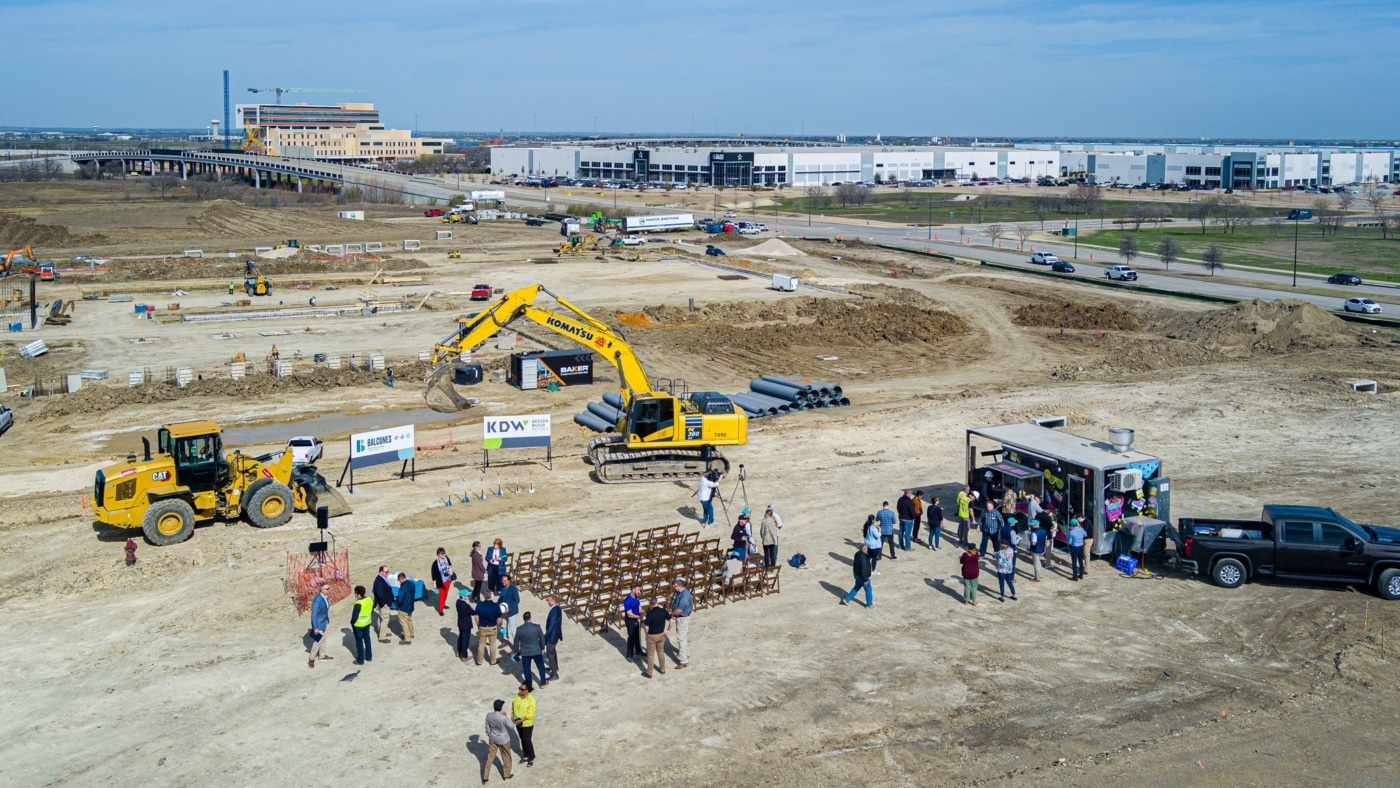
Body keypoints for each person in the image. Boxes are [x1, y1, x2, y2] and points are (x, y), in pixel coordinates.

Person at [514, 611, 548, 689]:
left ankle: (529, 685)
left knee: (526, 669)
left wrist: (516, 653)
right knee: (540, 666)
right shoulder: (537, 627)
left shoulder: (519, 629)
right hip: (536, 650)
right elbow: (542, 638)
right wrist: (543, 648)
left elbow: (516, 642)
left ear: (523, 619)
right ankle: (543, 682)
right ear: (530, 617)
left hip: (525, 652)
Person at [483, 699, 514, 783]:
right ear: (501, 707)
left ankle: (485, 776)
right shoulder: (503, 717)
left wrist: (490, 734)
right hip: (503, 739)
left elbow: (487, 727)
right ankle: (506, 774)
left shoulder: (489, 715)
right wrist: (506, 716)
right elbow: (511, 726)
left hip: (493, 738)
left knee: (490, 757)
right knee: (506, 756)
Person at [643, 596, 670, 678]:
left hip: (652, 635)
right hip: (661, 634)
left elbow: (646, 627)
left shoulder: (650, 613)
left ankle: (650, 672)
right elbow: (671, 619)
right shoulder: (663, 611)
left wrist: (646, 635)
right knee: (661, 652)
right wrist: (668, 630)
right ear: (657, 602)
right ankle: (662, 669)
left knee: (651, 655)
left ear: (651, 603)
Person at [511, 683, 537, 767]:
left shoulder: (531, 700)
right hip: (518, 722)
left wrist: (521, 720)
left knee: (527, 740)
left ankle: (531, 756)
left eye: (522, 689)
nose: (520, 690)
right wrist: (512, 716)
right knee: (522, 739)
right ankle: (525, 756)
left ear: (527, 690)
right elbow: (513, 706)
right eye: (519, 688)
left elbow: (531, 713)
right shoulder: (517, 696)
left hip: (527, 724)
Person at [474, 592, 503, 666]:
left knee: (481, 644)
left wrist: (478, 624)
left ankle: (479, 661)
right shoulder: (496, 606)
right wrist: (500, 625)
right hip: (492, 627)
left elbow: (476, 617)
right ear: (492, 596)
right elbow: (499, 619)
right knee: (492, 644)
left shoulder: (480, 605)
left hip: (483, 626)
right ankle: (493, 661)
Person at [670, 578, 693, 669]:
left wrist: (671, 614)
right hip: (682, 618)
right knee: (683, 636)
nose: (674, 588)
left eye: (675, 586)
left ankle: (683, 660)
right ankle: (686, 653)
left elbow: (679, 610)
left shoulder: (684, 596)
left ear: (680, 586)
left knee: (681, 638)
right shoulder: (681, 593)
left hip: (682, 618)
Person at [308, 583, 332, 668]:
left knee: (324, 639)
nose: (329, 590)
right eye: (327, 589)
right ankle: (311, 659)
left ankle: (322, 656)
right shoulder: (317, 600)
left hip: (323, 622)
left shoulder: (325, 597)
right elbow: (314, 615)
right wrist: (315, 627)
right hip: (318, 624)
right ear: (322, 590)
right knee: (317, 641)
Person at [350, 584, 374, 665]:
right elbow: (372, 609)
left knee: (359, 642)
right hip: (367, 623)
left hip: (358, 625)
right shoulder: (369, 599)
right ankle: (369, 656)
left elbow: (354, 617)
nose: (355, 594)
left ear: (358, 594)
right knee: (367, 640)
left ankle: (360, 659)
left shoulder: (358, 604)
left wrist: (352, 623)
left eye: (355, 593)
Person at [499, 574, 521, 656]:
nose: (503, 582)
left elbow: (517, 600)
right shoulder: (502, 588)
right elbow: (501, 598)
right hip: (504, 611)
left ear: (509, 581)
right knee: (503, 627)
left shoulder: (513, 589)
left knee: (512, 629)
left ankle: (516, 647)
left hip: (512, 612)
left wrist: (510, 608)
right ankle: (505, 640)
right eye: (502, 580)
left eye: (505, 581)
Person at [372, 566, 395, 643]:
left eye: (388, 571)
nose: (387, 573)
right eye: (386, 572)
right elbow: (380, 594)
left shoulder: (382, 578)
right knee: (385, 619)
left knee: (381, 618)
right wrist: (384, 603)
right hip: (384, 604)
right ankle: (382, 637)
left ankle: (382, 632)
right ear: (381, 572)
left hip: (385, 602)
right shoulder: (379, 581)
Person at [431, 547, 456, 617]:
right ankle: (440, 609)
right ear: (438, 555)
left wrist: (451, 572)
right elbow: (433, 575)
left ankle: (443, 604)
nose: (444, 555)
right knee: (441, 595)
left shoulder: (446, 558)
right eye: (442, 554)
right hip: (441, 582)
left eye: (444, 553)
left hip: (448, 579)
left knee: (446, 593)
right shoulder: (435, 564)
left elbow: (450, 565)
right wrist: (435, 585)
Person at [622, 585, 644, 662]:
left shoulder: (637, 597)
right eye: (638, 590)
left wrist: (641, 612)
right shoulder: (627, 601)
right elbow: (629, 614)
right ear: (633, 590)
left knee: (638, 635)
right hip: (630, 621)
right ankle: (629, 655)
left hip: (637, 618)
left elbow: (639, 605)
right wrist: (638, 617)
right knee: (631, 637)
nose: (639, 592)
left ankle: (638, 650)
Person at [544, 595, 563, 682]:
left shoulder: (555, 611)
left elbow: (551, 625)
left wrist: (545, 636)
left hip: (552, 635)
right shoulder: (557, 609)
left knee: (550, 654)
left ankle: (554, 673)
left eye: (549, 600)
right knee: (553, 651)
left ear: (553, 601)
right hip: (554, 634)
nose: (548, 602)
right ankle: (555, 666)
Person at [455, 588, 475, 662]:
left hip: (460, 623)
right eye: (467, 595)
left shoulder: (458, 602)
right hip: (466, 624)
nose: (468, 597)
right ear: (463, 597)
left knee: (460, 637)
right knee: (465, 640)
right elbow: (472, 612)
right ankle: (464, 656)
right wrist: (468, 604)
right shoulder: (465, 605)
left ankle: (459, 651)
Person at [395, 573, 416, 644]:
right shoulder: (412, 584)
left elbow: (400, 600)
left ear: (401, 579)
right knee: (409, 620)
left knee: (404, 622)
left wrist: (396, 600)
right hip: (410, 606)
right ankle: (411, 633)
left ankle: (407, 638)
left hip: (403, 608)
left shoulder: (402, 588)